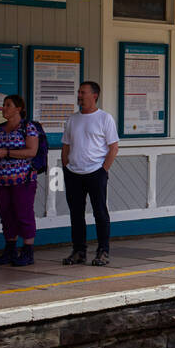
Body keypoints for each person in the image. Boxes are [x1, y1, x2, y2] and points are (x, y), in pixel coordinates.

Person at [62, 80, 119, 266]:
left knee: (100, 213)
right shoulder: (72, 119)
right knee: (76, 214)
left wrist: (103, 171)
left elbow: (113, 148)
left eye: (83, 92)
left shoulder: (104, 118)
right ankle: (79, 251)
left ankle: (103, 251)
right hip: (73, 173)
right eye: (78, 92)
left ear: (94, 95)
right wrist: (66, 167)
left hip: (96, 172)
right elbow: (66, 146)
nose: (79, 95)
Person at [0, 94, 39, 267]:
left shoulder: (28, 127)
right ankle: (10, 249)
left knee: (23, 213)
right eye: (4, 105)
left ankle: (28, 250)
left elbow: (31, 151)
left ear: (18, 108)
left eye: (8, 105)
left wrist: (7, 153)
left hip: (22, 179)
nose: (4, 108)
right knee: (6, 215)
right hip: (1, 179)